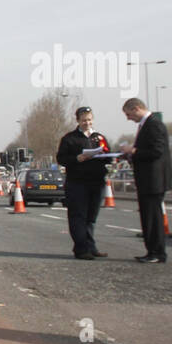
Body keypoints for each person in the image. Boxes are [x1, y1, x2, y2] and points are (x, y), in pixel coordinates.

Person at [121, 97, 172, 263]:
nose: (128, 118)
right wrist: (131, 155)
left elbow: (156, 151)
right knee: (148, 216)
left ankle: (157, 252)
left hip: (154, 180)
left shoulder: (154, 124)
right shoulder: (146, 124)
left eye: (128, 114)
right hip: (148, 180)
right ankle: (152, 251)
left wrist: (134, 150)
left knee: (153, 217)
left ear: (136, 108)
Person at [56, 106, 110, 259]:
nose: (87, 123)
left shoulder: (99, 138)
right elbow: (61, 159)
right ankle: (81, 249)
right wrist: (76, 159)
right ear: (78, 121)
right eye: (84, 120)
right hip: (77, 183)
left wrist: (105, 155)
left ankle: (91, 247)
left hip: (97, 182)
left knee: (91, 218)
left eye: (89, 120)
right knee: (78, 217)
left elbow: (108, 155)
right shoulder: (69, 139)